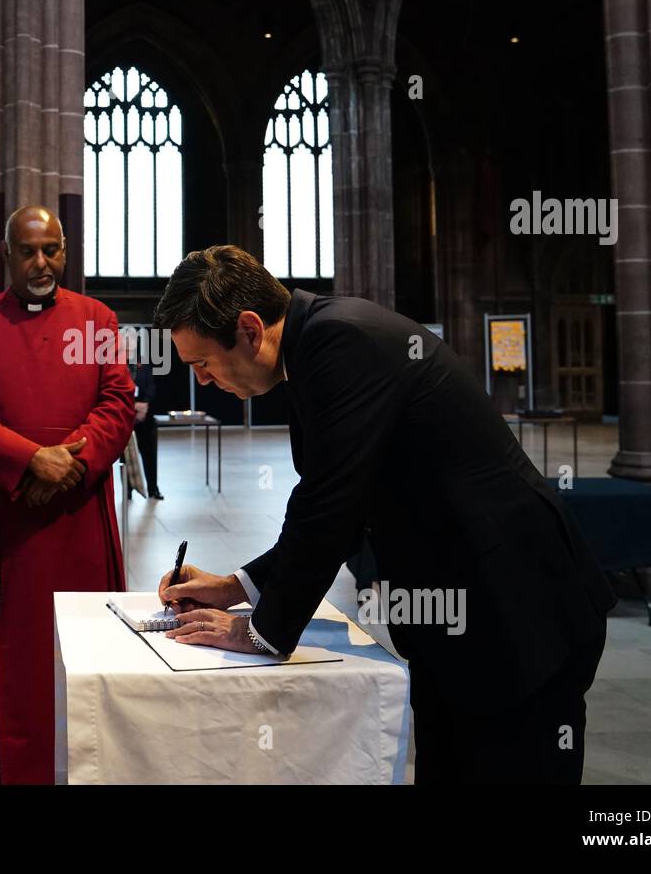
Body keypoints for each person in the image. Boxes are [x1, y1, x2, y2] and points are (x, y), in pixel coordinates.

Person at [152, 245, 616, 784]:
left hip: (517, 612)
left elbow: (329, 504)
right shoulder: (313, 348)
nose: (203, 381)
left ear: (251, 329)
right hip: (463, 620)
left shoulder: (338, 340)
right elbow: (340, 505)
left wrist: (260, 632)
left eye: (202, 363)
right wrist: (235, 586)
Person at [0, 205, 135, 784]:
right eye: (29, 251)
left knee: (73, 652)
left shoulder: (96, 320)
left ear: (65, 251)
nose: (42, 261)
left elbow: (118, 402)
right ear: (6, 256)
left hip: (77, 516)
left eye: (52, 249)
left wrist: (72, 461)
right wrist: (29, 461)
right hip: (0, 515)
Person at [130, 351, 162, 500]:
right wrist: (133, 406)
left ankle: (153, 489)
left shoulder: (143, 364)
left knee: (149, 454)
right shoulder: (115, 362)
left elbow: (151, 387)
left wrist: (144, 405)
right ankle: (128, 490)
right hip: (126, 418)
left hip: (145, 417)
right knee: (127, 456)